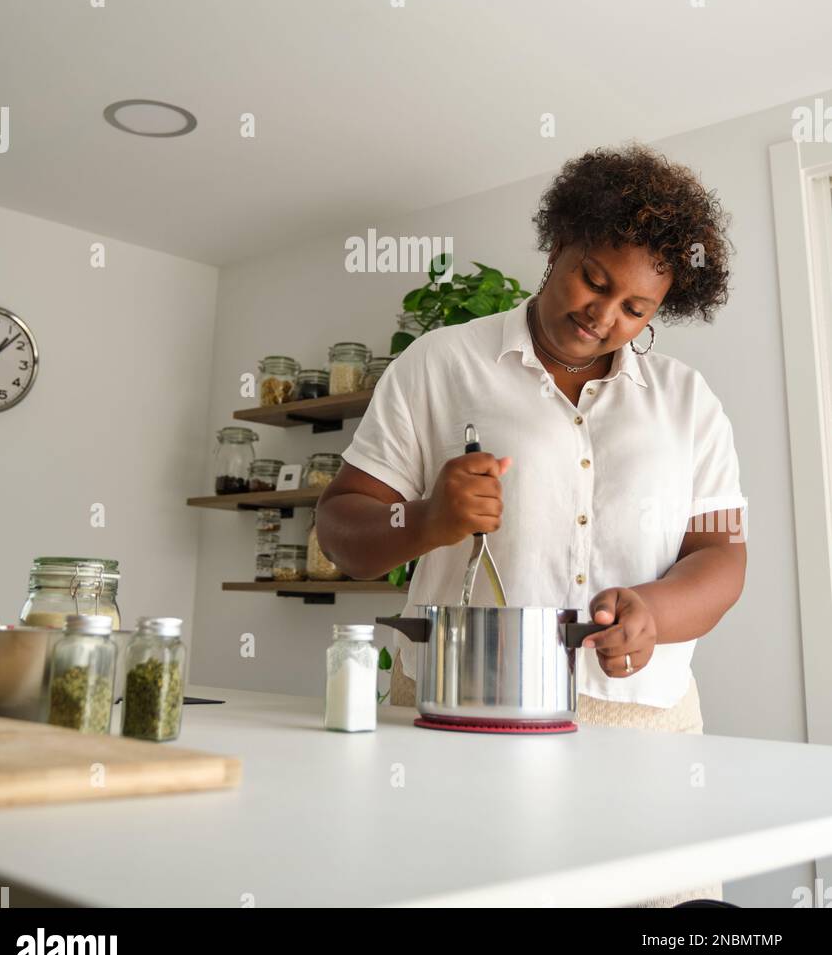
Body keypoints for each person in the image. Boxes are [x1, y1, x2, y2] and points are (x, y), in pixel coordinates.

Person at [316, 142, 748, 907]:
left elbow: (720, 555)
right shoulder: (440, 364)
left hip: (643, 725)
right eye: (594, 279)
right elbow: (341, 529)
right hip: (463, 718)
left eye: (635, 309)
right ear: (559, 245)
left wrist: (656, 610)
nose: (603, 315)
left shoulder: (688, 402)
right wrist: (423, 521)